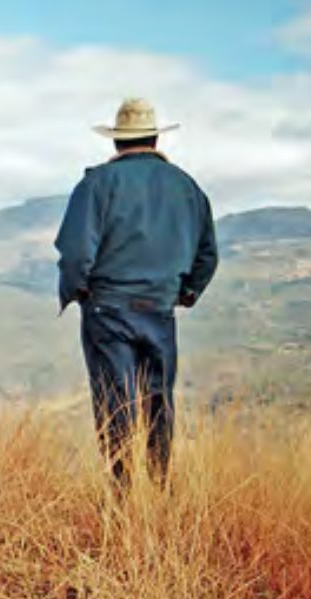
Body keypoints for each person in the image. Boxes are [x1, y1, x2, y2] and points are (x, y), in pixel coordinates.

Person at [55, 97, 218, 486]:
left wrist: (76, 292)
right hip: (160, 310)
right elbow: (207, 254)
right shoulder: (187, 188)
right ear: (155, 139)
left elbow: (76, 252)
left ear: (116, 142)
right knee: (158, 404)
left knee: (116, 405)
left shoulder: (96, 184)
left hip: (108, 310)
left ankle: (124, 501)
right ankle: (158, 491)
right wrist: (185, 294)